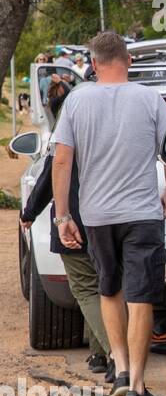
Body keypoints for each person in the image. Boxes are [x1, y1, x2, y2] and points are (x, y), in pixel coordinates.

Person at [51, 32, 166, 396]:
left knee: (109, 289)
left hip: (96, 215)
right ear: (128, 60)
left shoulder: (76, 100)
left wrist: (62, 216)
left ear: (93, 64)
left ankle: (121, 370)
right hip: (141, 213)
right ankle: (139, 388)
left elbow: (61, 162)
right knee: (141, 296)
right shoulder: (149, 99)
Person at [21, 148, 114, 378]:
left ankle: (116, 354)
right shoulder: (121, 121)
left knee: (85, 289)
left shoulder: (73, 118)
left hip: (75, 220)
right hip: (116, 219)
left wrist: (30, 212)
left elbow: (53, 171)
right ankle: (99, 354)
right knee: (107, 286)